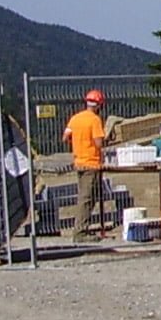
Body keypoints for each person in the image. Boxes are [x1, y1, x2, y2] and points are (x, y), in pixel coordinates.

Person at [64, 89, 111, 238]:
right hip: (92, 163)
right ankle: (80, 232)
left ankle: (83, 228)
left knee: (86, 196)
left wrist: (78, 142)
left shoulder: (75, 118)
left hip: (79, 162)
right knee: (87, 198)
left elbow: (66, 137)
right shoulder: (95, 120)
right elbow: (98, 142)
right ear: (99, 104)